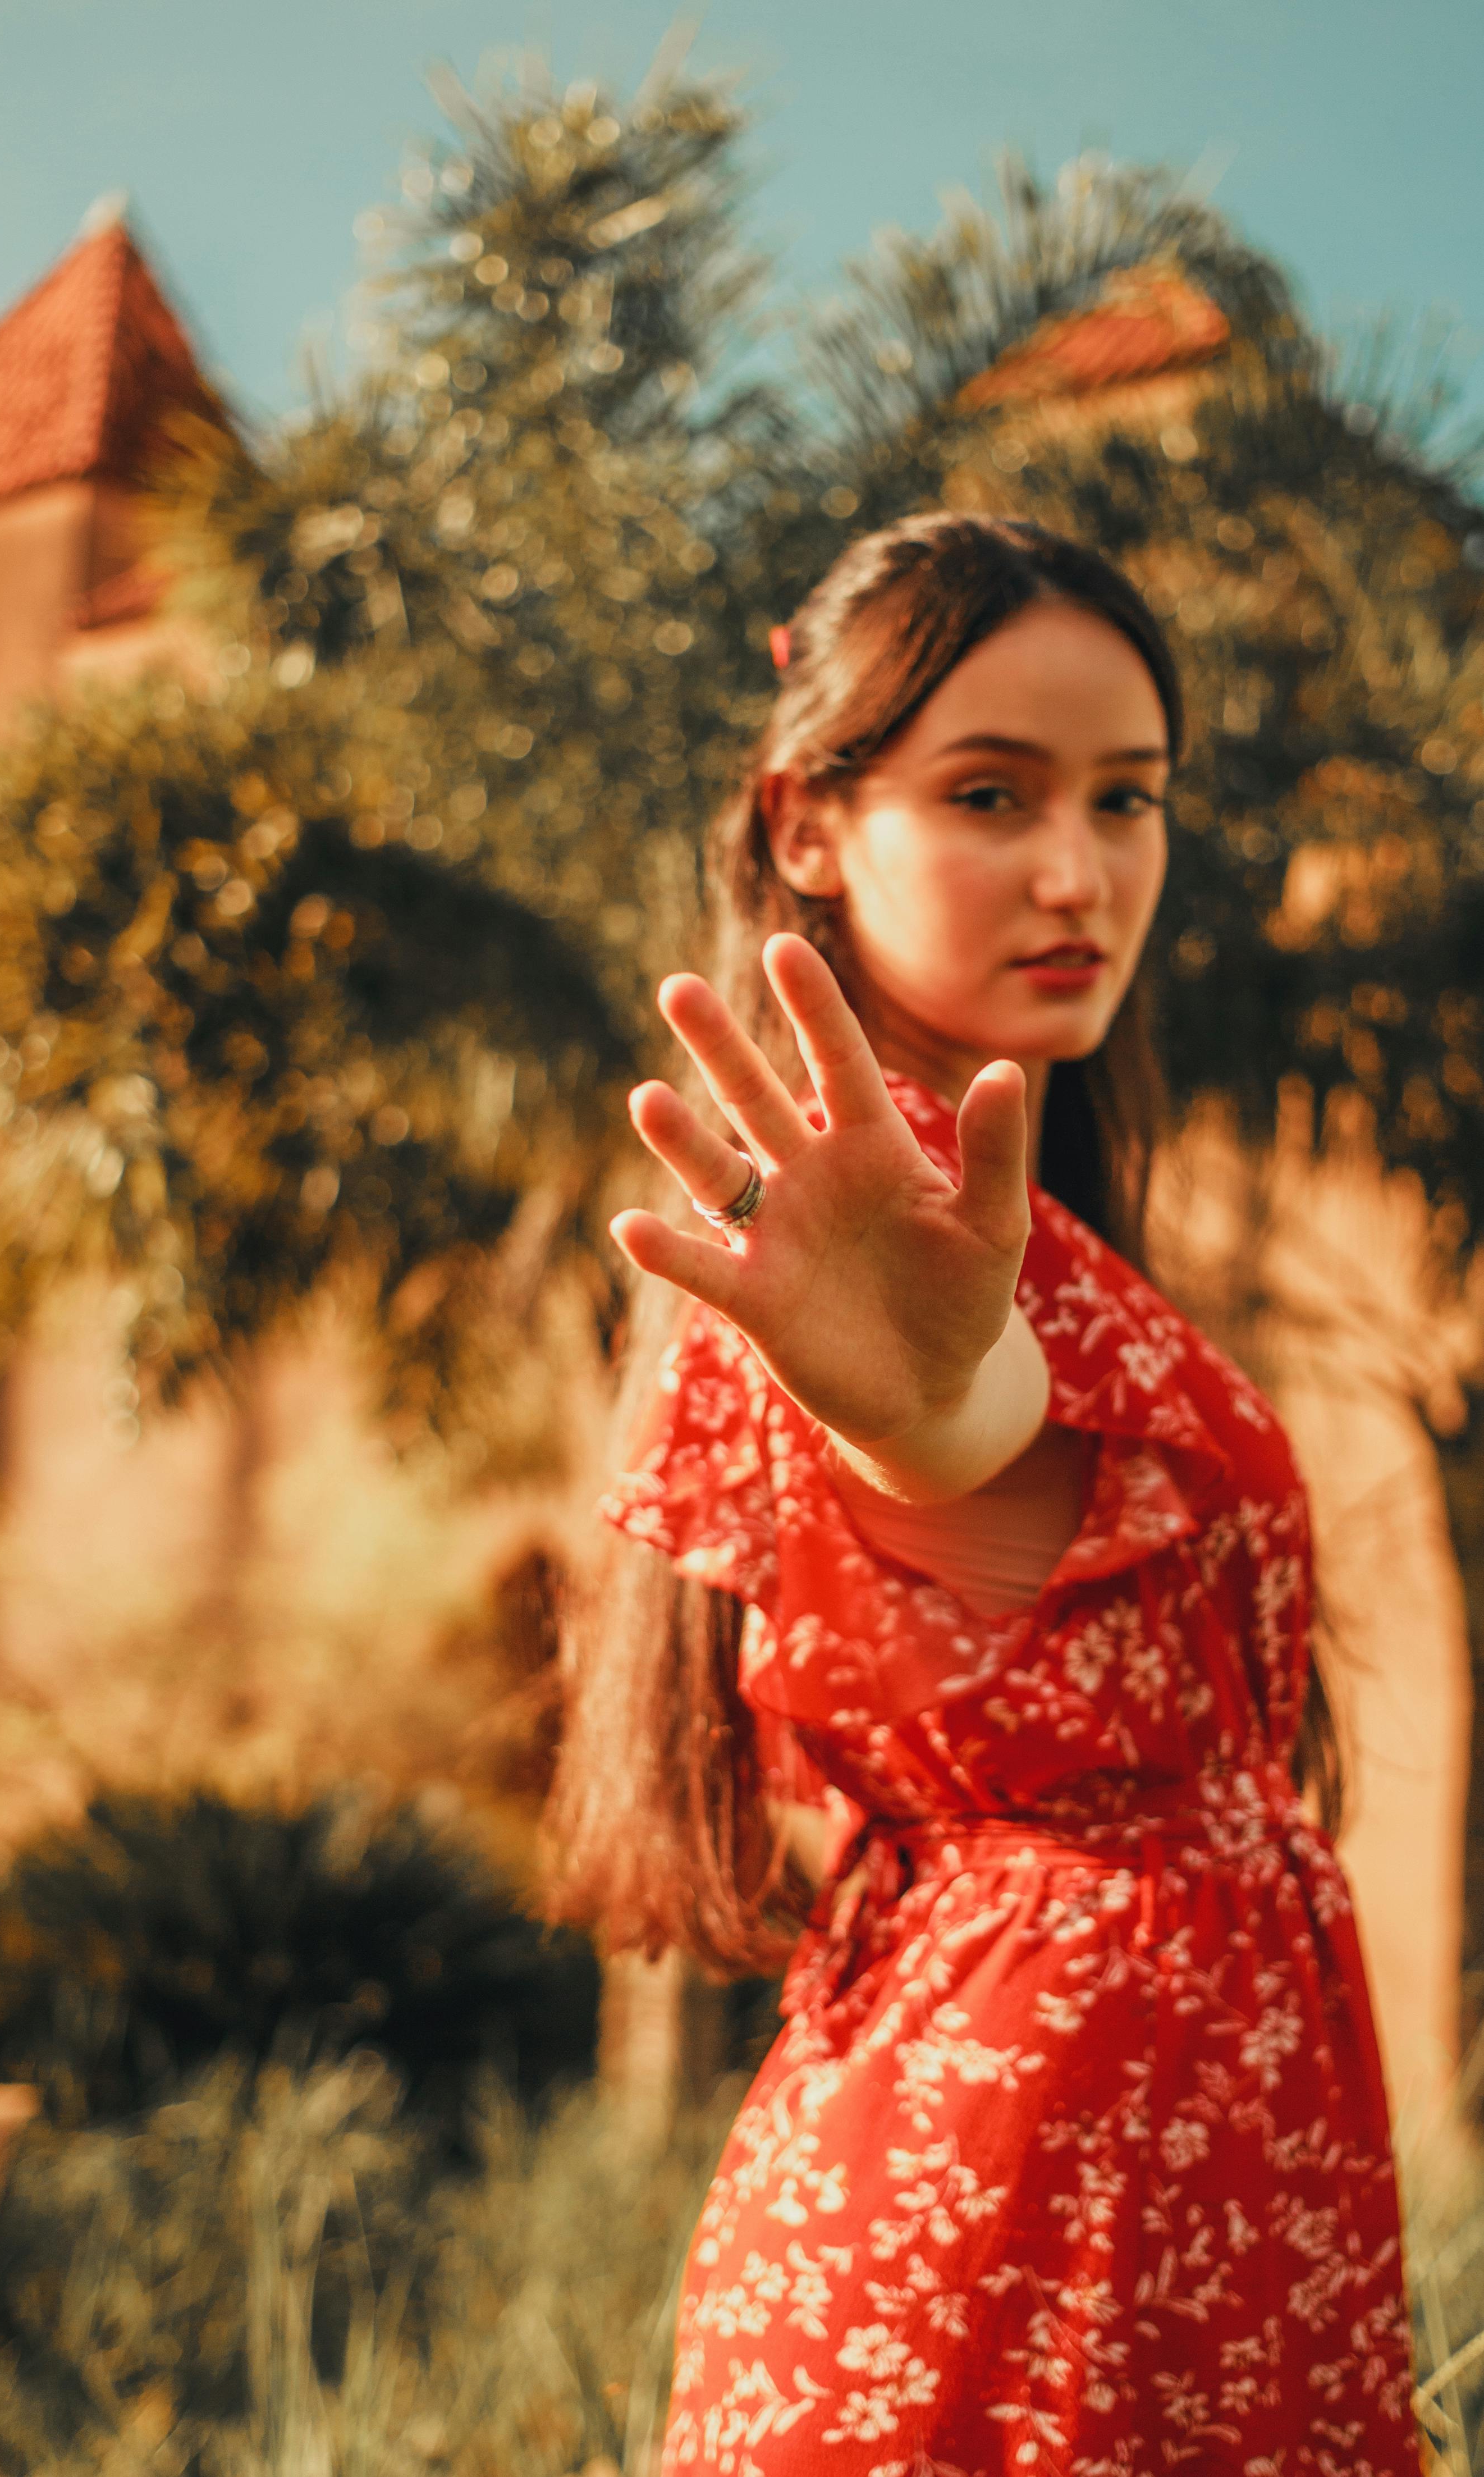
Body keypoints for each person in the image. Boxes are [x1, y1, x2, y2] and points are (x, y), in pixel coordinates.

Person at [543, 513, 1421, 2474]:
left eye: (1131, 799)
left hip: (1113, 2176)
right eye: (988, 792)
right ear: (805, 822)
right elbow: (957, 1437)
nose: (1077, 868)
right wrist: (923, 1400)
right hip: (1032, 2221)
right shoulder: (887, 1239)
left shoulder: (1014, 1218)